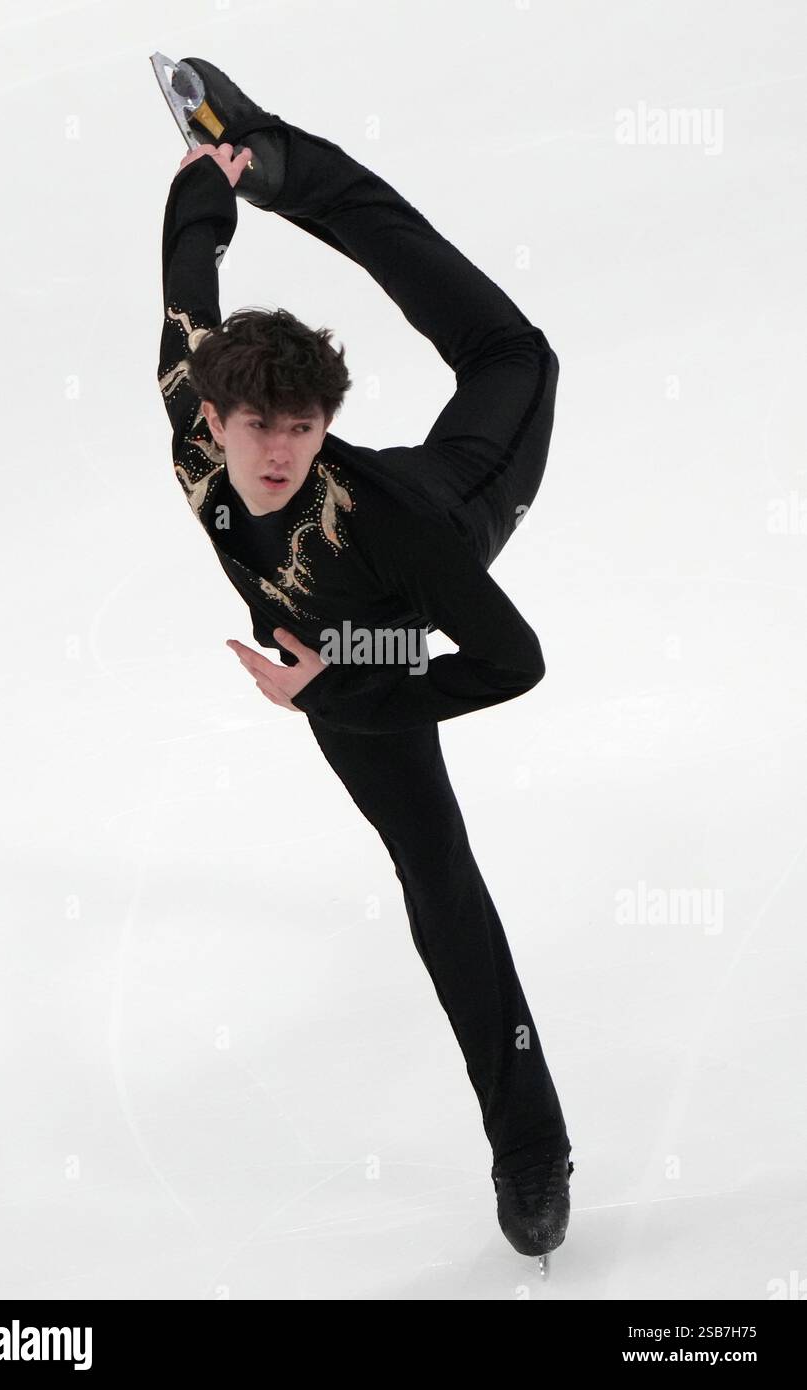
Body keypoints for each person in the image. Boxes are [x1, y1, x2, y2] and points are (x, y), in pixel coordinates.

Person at [156, 55, 574, 1264]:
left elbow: (505, 655)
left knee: (511, 357)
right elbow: (187, 269)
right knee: (431, 875)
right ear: (215, 415)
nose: (276, 450)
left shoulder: (391, 516)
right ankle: (253, 148)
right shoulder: (194, 394)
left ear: (326, 423)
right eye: (257, 426)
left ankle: (531, 1151)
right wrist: (205, 175)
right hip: (323, 645)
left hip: (437, 536)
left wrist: (337, 679)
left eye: (301, 428)